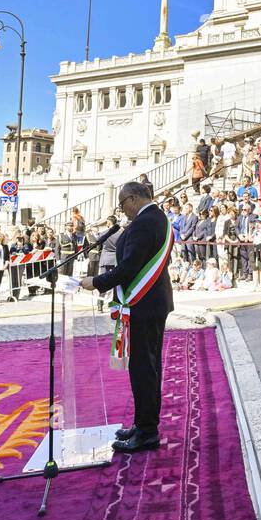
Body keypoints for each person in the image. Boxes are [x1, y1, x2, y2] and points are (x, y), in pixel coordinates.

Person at [80, 181, 174, 454]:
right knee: (147, 367)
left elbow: (129, 267)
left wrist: (96, 281)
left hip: (145, 305)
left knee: (144, 369)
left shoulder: (145, 222)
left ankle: (147, 432)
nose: (122, 210)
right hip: (151, 303)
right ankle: (143, 424)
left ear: (133, 199)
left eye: (122, 204)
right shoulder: (156, 218)